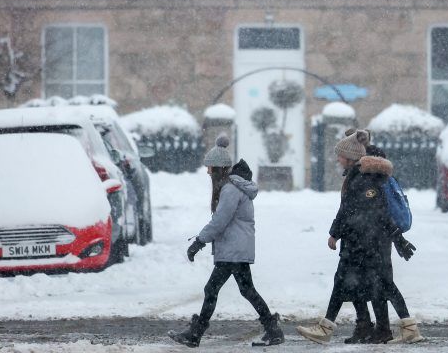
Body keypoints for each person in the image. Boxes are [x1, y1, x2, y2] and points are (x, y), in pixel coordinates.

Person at [168, 136, 284, 348]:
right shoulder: (233, 187)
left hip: (233, 249)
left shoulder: (230, 189)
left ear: (219, 169)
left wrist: (199, 241)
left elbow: (220, 220)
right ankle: (272, 329)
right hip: (236, 248)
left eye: (210, 168)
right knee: (246, 290)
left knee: (212, 289)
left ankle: (196, 334)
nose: (207, 172)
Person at [297, 129, 395, 344]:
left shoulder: (362, 179)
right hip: (360, 241)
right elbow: (349, 210)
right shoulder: (356, 176)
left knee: (356, 283)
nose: (338, 159)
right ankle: (366, 327)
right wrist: (338, 232)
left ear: (350, 157)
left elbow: (351, 211)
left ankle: (338, 328)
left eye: (341, 155)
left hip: (362, 243)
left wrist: (335, 233)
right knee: (355, 284)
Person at [364, 144, 424, 344]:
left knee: (385, 285)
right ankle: (383, 329)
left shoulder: (373, 184)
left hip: (377, 240)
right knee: (378, 285)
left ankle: (408, 328)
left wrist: (399, 240)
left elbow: (381, 215)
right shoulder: (384, 180)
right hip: (382, 239)